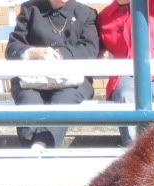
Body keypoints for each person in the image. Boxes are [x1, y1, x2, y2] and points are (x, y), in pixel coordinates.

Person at [5, 0, 99, 150]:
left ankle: (39, 147)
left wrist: (61, 55)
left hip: (72, 82)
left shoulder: (86, 13)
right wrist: (34, 52)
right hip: (33, 81)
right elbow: (12, 48)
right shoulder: (30, 10)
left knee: (65, 99)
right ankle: (38, 149)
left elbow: (90, 49)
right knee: (28, 100)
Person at [97, 0, 154, 146]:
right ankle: (135, 151)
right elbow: (98, 47)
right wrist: (103, 53)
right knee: (126, 96)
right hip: (128, 73)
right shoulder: (105, 16)